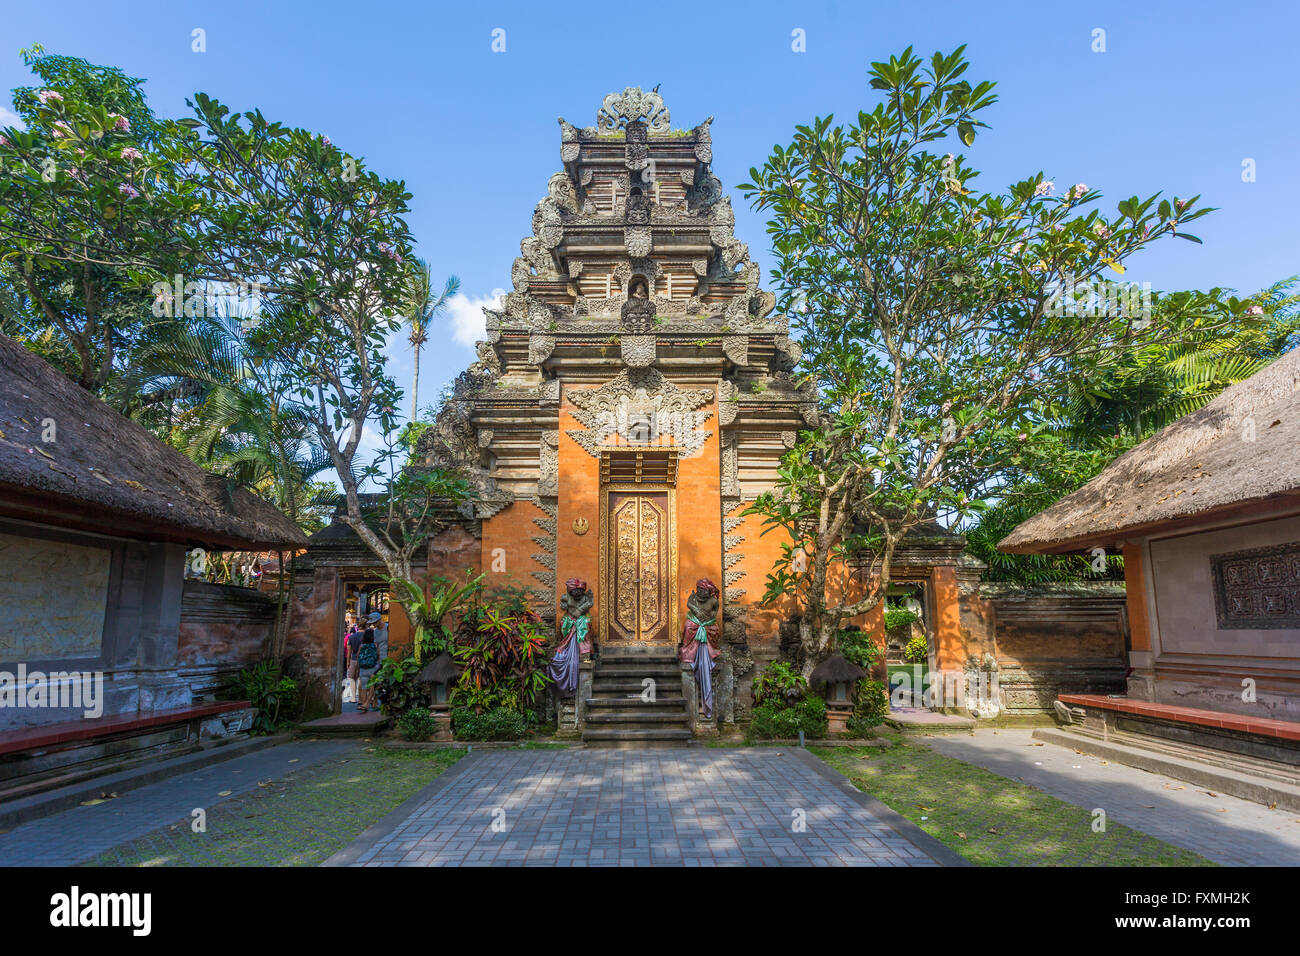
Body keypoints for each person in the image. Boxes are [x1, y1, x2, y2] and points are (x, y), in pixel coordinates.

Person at [357, 626, 380, 712]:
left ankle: (364, 705)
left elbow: (358, 656)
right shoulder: (375, 645)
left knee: (363, 687)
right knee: (372, 686)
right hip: (372, 668)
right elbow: (378, 656)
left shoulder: (362, 645)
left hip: (363, 668)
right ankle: (367, 702)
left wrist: (357, 669)